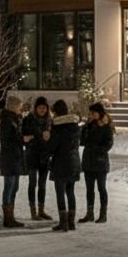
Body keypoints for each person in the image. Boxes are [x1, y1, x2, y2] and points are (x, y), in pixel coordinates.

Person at [46, 98, 81, 232]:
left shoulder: (58, 127)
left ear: (56, 112)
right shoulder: (75, 126)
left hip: (60, 163)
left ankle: (63, 222)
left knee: (60, 192)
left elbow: (52, 147)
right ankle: (71, 222)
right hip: (74, 161)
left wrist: (47, 141)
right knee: (70, 191)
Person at [79, 101, 114, 223]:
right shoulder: (89, 126)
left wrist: (97, 149)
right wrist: (85, 128)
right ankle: (90, 213)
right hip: (88, 161)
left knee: (101, 188)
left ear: (99, 113)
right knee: (89, 189)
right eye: (91, 113)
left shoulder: (106, 127)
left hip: (100, 162)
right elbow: (82, 141)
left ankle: (103, 214)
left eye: (94, 113)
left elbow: (109, 144)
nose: (91, 115)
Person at [21, 95, 54, 221]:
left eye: (44, 107)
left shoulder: (50, 121)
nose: (42, 110)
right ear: (36, 108)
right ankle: (33, 211)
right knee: (32, 183)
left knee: (42, 185)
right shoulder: (28, 119)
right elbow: (24, 135)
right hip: (32, 155)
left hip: (45, 156)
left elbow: (53, 137)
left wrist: (49, 138)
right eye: (40, 107)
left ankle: (41, 210)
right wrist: (34, 137)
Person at [0, 95, 27, 228]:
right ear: (13, 106)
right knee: (9, 187)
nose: (21, 108)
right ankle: (8, 218)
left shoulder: (15, 119)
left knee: (14, 187)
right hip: (9, 158)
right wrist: (22, 139)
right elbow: (6, 140)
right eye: (19, 106)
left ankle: (11, 217)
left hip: (15, 157)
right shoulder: (7, 121)